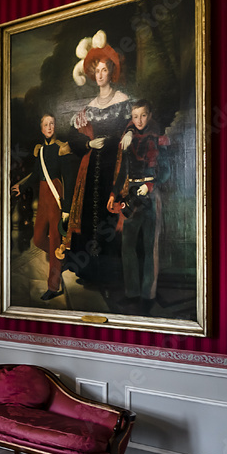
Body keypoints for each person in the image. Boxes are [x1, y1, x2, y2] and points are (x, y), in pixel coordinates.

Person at [64, 31, 132, 281]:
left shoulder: (124, 101)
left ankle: (110, 274)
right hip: (92, 167)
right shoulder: (89, 106)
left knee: (109, 217)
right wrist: (89, 142)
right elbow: (74, 138)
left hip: (114, 166)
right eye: (97, 71)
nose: (101, 74)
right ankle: (89, 270)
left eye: (105, 69)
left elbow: (135, 124)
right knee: (90, 217)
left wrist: (130, 134)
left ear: (111, 71)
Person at [108, 100, 169, 313]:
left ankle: (148, 295)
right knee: (128, 246)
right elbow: (123, 172)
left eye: (143, 115)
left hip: (151, 196)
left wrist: (149, 185)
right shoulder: (128, 139)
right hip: (132, 194)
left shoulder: (159, 138)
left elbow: (167, 171)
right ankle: (132, 293)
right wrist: (113, 194)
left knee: (150, 246)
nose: (139, 120)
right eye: (135, 116)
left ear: (149, 114)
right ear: (131, 118)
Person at [12, 114, 73, 301]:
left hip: (56, 197)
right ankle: (61, 258)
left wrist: (66, 207)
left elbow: (69, 181)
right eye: (46, 124)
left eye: (52, 123)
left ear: (55, 126)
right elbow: (37, 174)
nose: (49, 127)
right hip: (43, 195)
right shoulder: (40, 151)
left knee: (55, 241)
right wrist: (21, 186)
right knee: (38, 239)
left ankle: (53, 286)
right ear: (41, 129)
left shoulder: (62, 148)